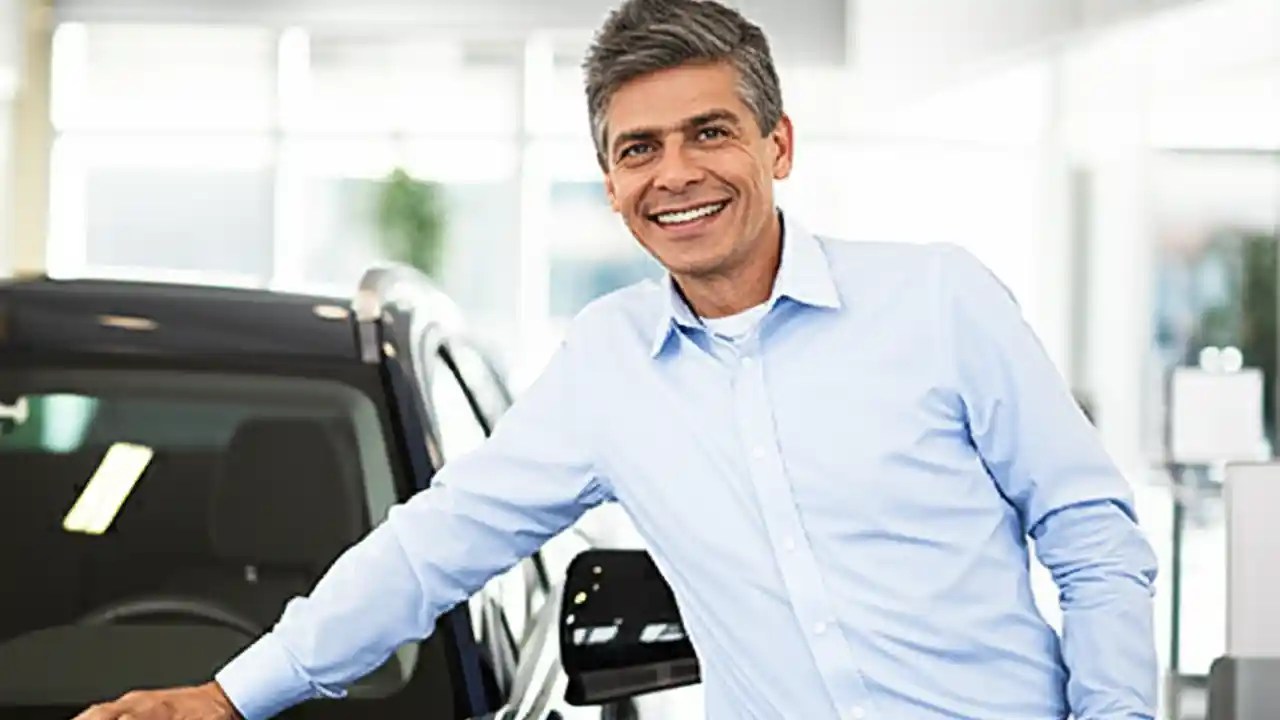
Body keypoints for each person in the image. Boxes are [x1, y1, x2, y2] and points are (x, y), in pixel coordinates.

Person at [75, 0, 1159, 718]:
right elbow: (435, 545)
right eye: (638, 149)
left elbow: (1089, 534)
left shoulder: (937, 299)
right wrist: (233, 695)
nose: (675, 174)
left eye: (709, 133)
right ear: (608, 182)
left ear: (776, 145)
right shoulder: (607, 365)